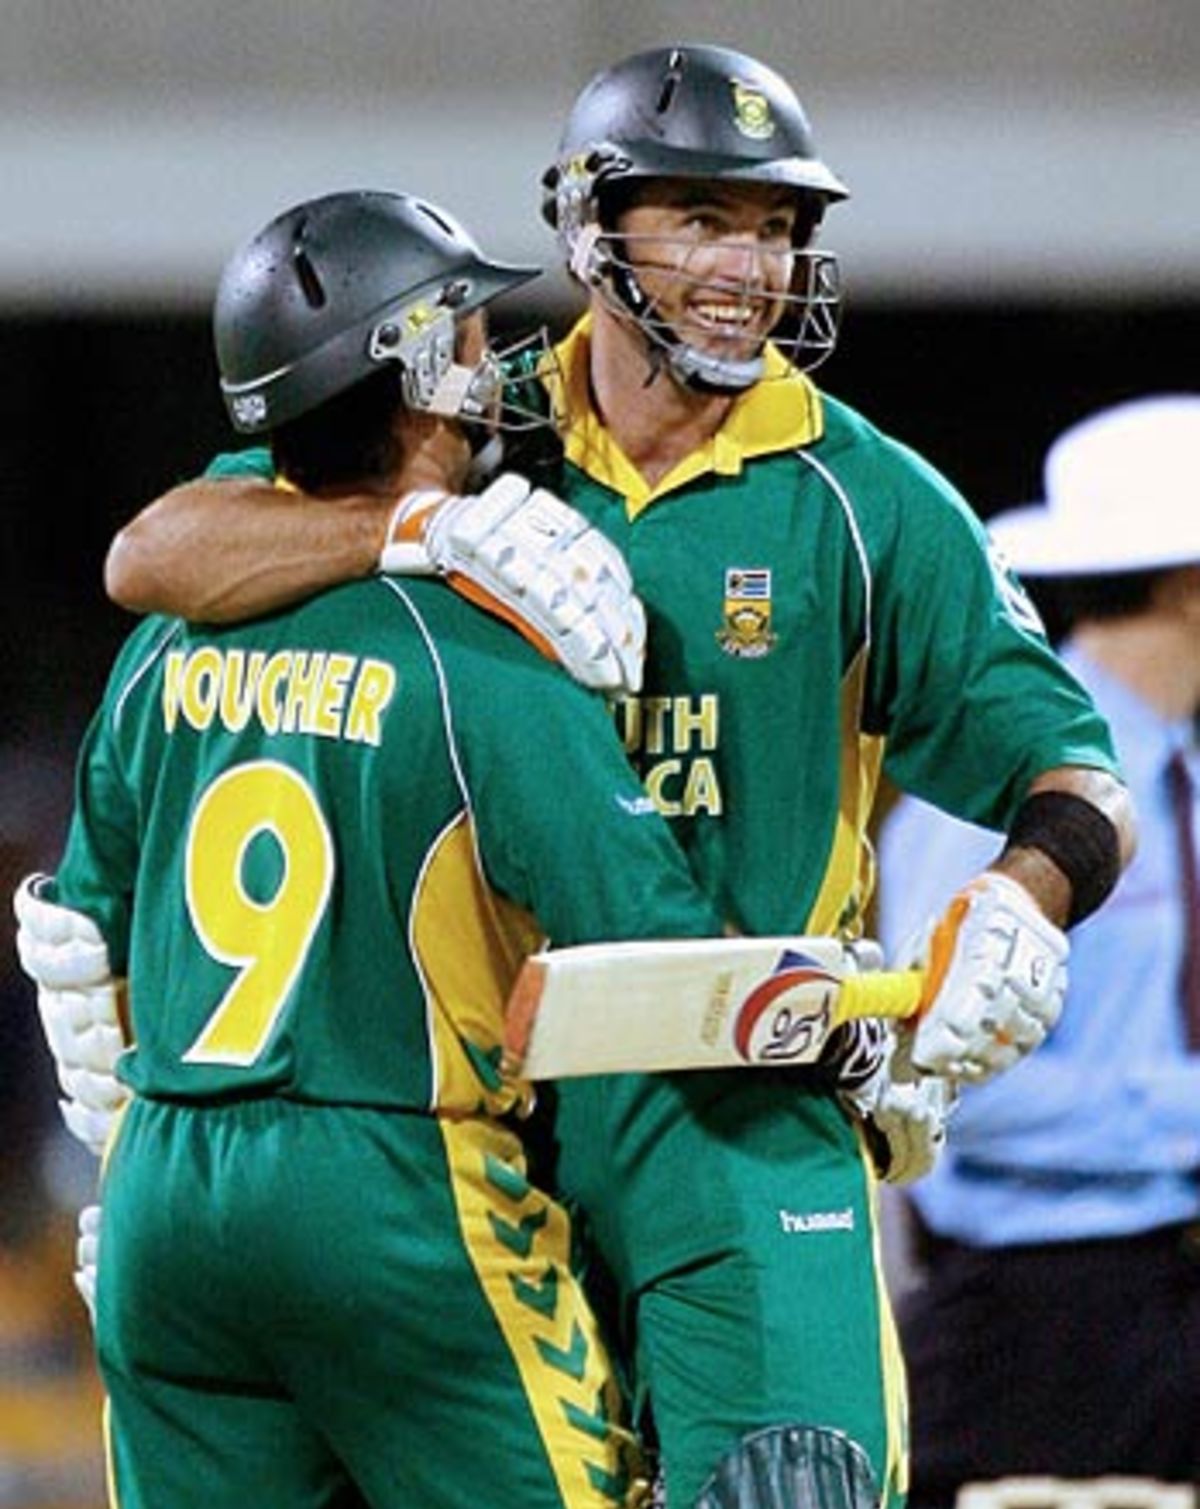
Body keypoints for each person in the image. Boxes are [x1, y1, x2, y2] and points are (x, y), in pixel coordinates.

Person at [90, 44, 1135, 1509]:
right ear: (595, 228)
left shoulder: (868, 499)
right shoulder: (461, 425)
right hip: (480, 1133)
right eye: (703, 218)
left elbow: (1079, 776)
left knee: (792, 1485)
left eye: (776, 228)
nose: (748, 265)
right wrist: (417, 534)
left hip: (740, 1109)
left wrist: (1022, 905)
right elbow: (159, 553)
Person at [11, 187, 746, 1509]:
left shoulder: (162, 645)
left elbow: (82, 929)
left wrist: (134, 1148)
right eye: (466, 334)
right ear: (411, 379)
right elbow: (652, 953)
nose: (491, 363)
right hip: (396, 1184)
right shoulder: (482, 658)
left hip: (171, 1184)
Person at [877, 394, 1200, 1508]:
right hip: (1033, 1317)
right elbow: (931, 1082)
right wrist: (1184, 1110)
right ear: (1187, 585)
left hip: (1171, 1292)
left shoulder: (1189, 780)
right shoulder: (1000, 801)